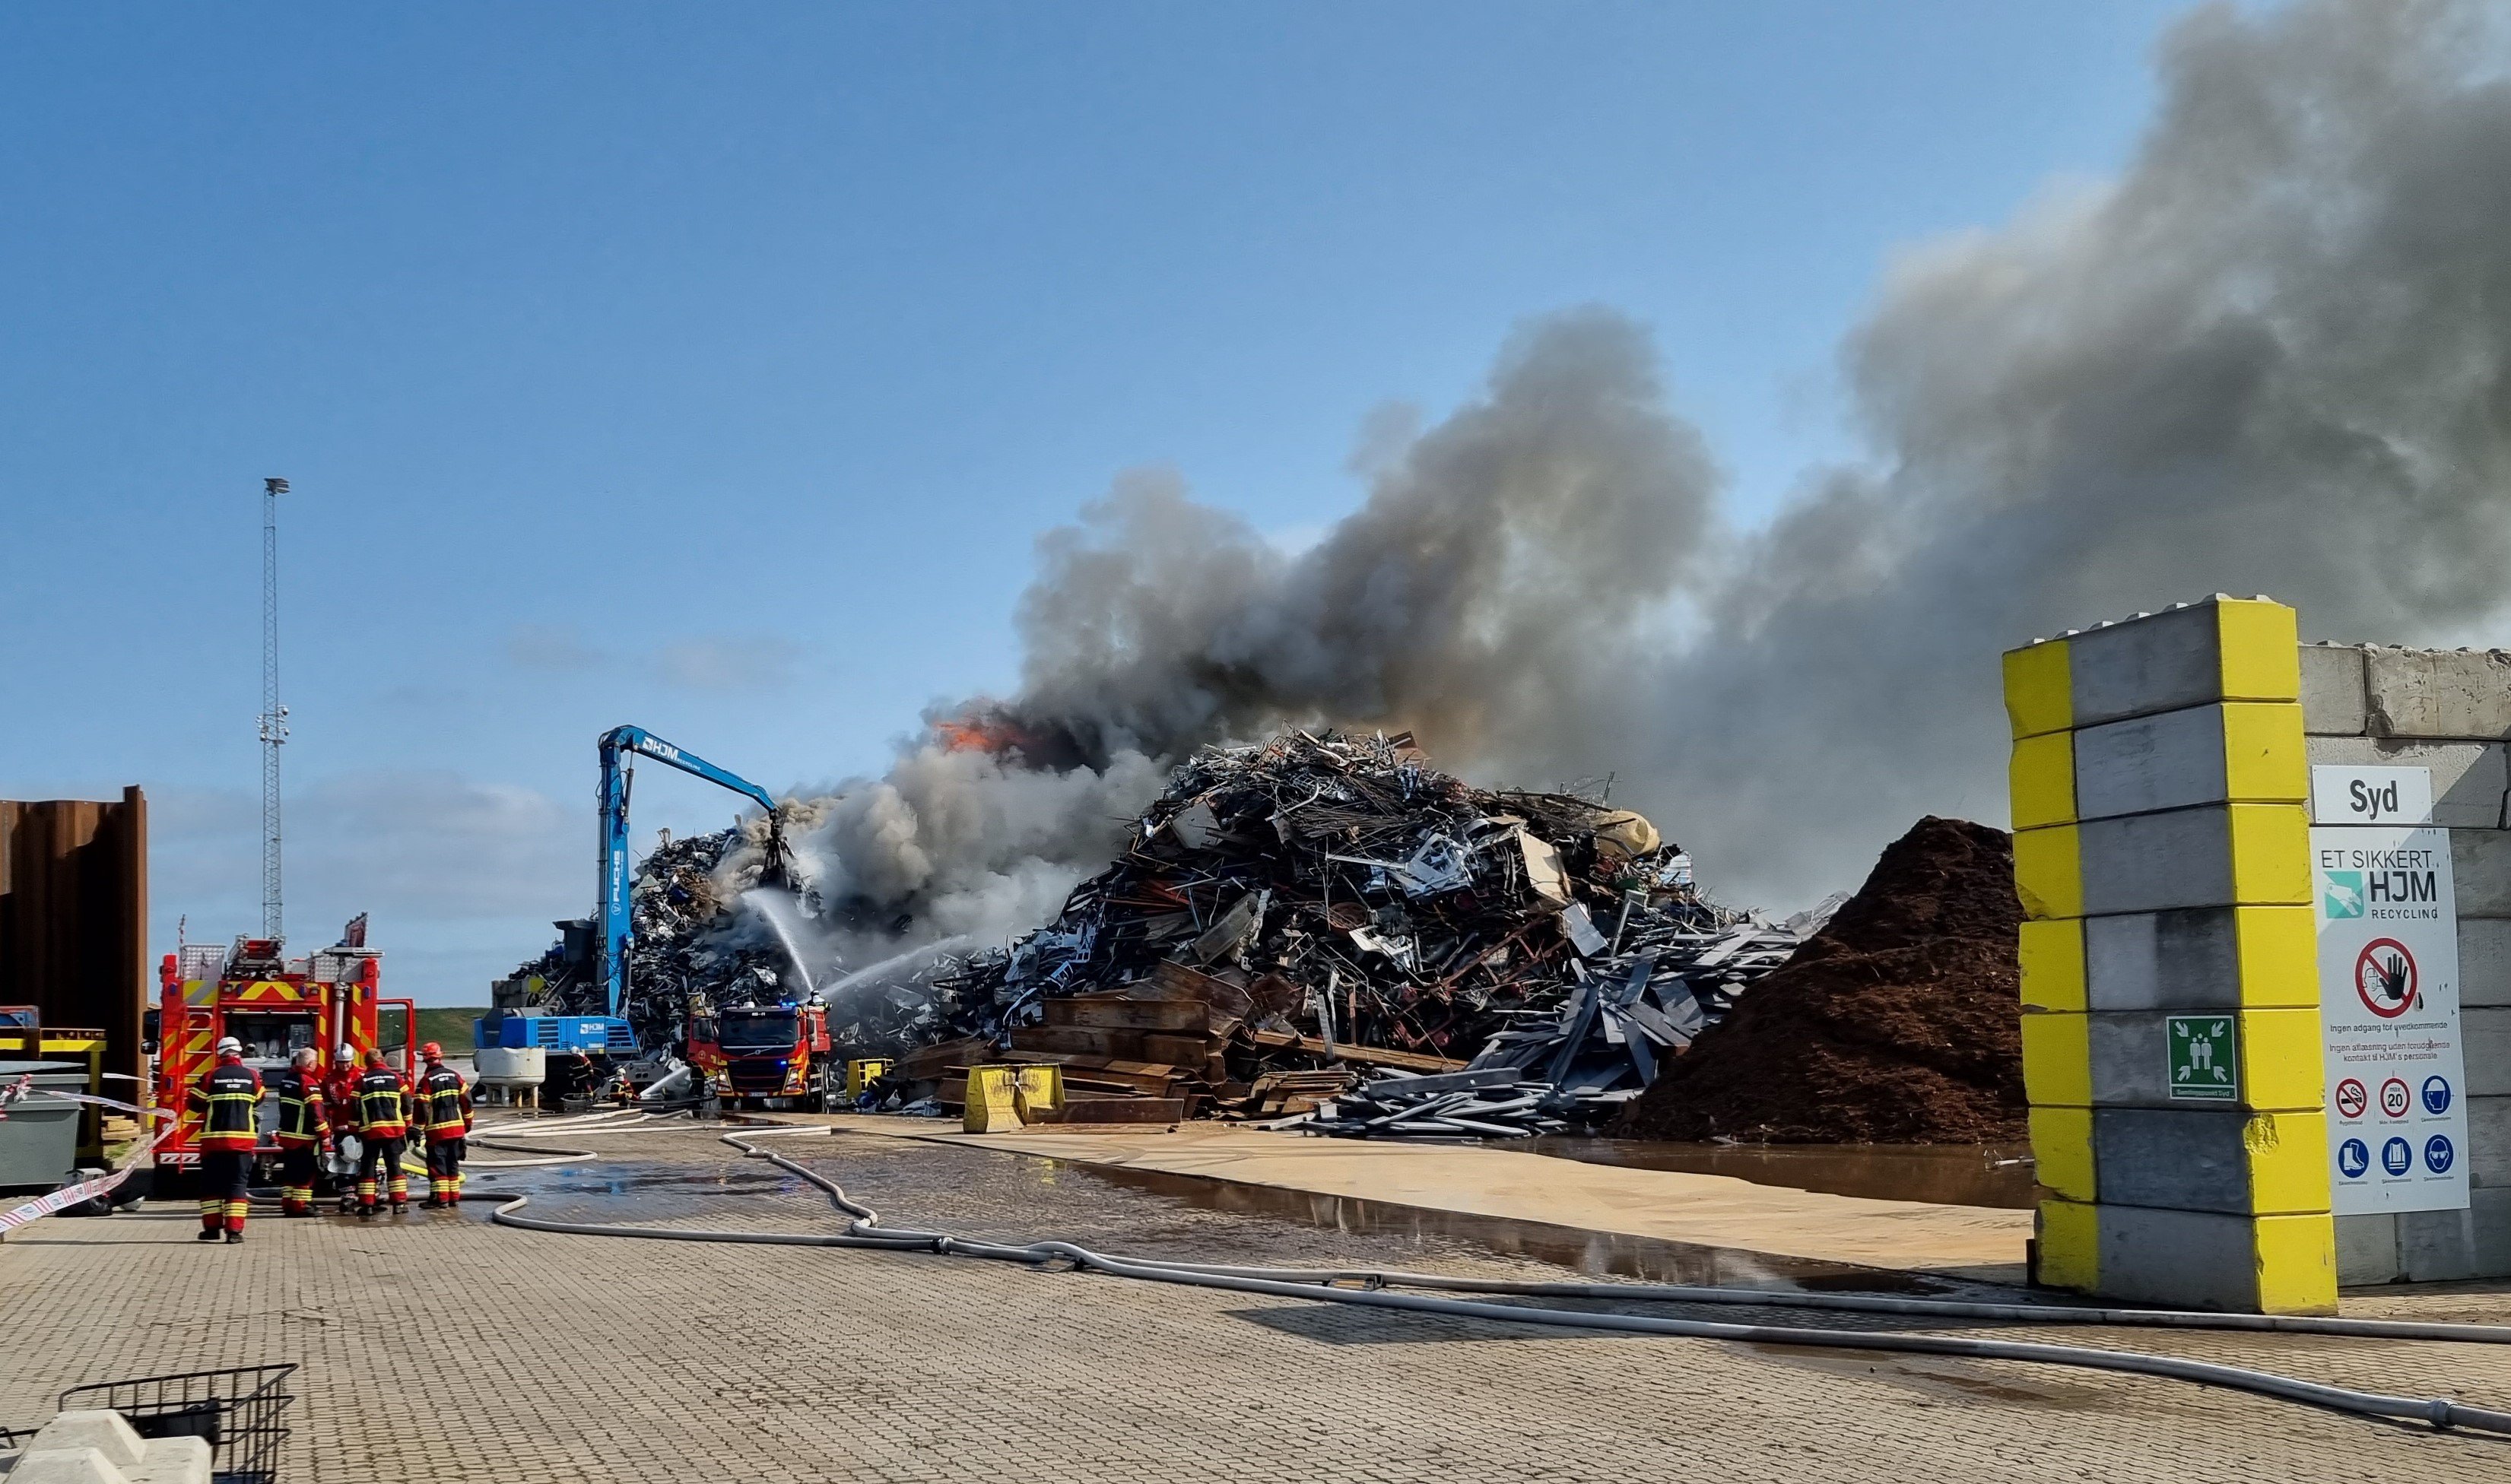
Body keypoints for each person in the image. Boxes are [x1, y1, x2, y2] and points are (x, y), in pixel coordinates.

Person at [186, 1035, 262, 1243]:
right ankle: (234, 1232)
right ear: (239, 1053)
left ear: (220, 1054)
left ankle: (211, 1230)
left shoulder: (211, 1076)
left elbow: (193, 1102)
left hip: (215, 1142)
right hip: (242, 1142)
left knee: (212, 1186)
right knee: (237, 1185)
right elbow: (259, 1099)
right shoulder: (252, 1076)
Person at [411, 1042, 474, 1209]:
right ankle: (453, 1198)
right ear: (441, 1056)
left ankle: (441, 1199)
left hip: (437, 1132)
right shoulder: (456, 1076)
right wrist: (467, 1125)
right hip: (457, 1130)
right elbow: (467, 1101)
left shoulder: (426, 1081)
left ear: (425, 1059)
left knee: (438, 1166)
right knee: (453, 1164)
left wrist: (417, 1129)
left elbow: (421, 1108)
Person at [351, 1048, 412, 1219]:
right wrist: (407, 1122)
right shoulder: (396, 1078)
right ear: (382, 1060)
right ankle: (399, 1204)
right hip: (394, 1130)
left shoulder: (362, 1081)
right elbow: (407, 1100)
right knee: (394, 1166)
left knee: (368, 1167)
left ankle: (367, 1205)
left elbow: (355, 1106)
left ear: (367, 1063)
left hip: (370, 1132)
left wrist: (353, 1128)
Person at [271, 1048, 331, 1216]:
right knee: (305, 1173)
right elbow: (316, 1112)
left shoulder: (286, 1080)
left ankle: (288, 1204)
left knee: (290, 1172)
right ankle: (301, 1205)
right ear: (311, 1064)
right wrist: (325, 1134)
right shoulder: (308, 1083)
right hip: (304, 1138)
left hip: (288, 1135)